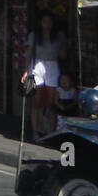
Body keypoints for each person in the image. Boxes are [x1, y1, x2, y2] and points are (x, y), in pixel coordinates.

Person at [23, 11, 67, 140]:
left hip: (53, 66)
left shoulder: (59, 36)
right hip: (37, 65)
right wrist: (26, 70)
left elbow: (63, 55)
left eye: (49, 22)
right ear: (40, 23)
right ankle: (35, 132)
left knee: (51, 102)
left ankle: (49, 131)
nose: (47, 24)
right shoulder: (34, 35)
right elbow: (29, 52)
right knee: (36, 101)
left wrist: (65, 47)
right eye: (44, 22)